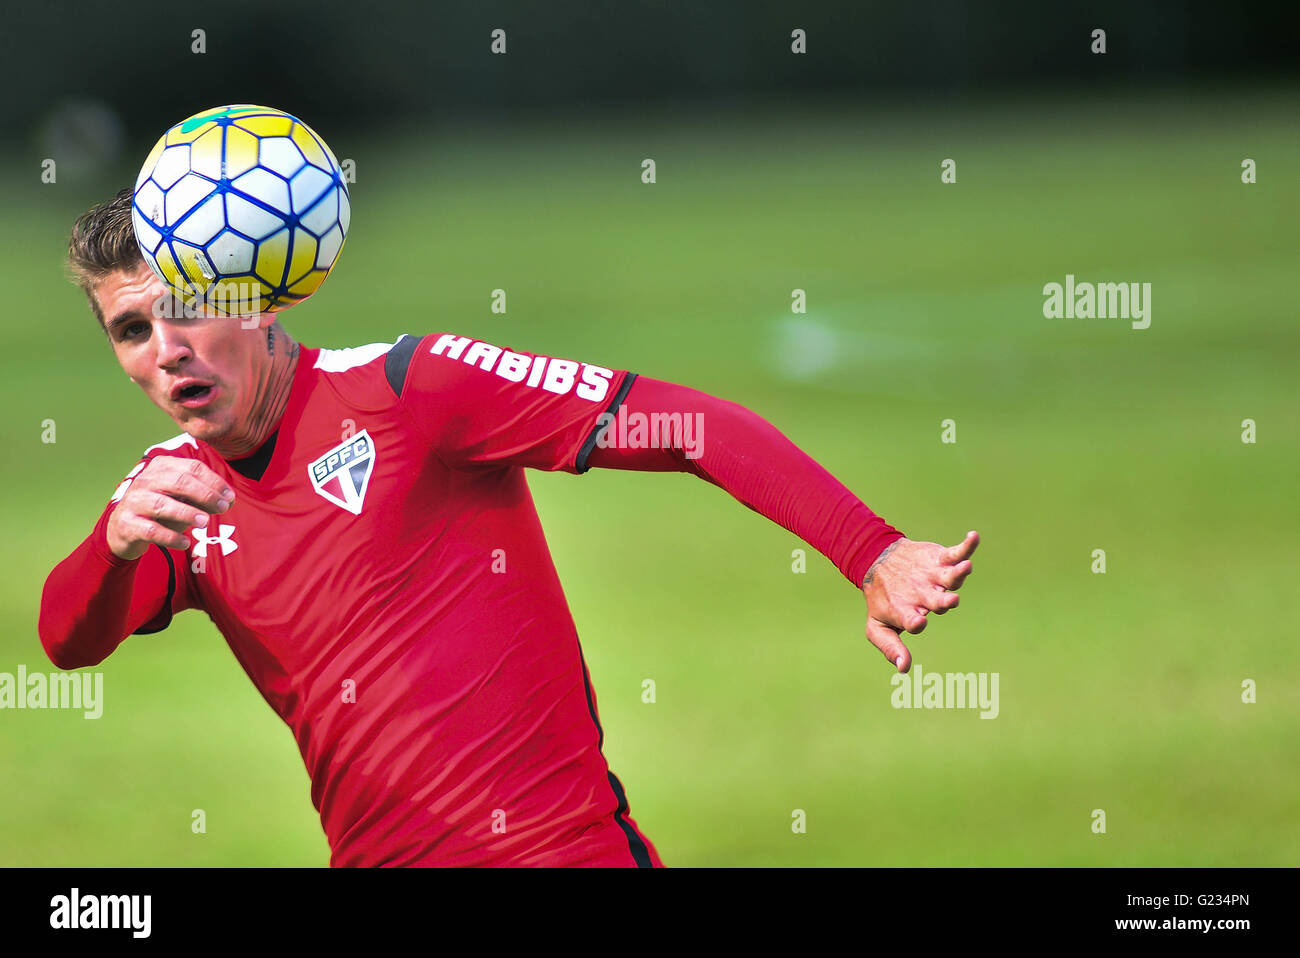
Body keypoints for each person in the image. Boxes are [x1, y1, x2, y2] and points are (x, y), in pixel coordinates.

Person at [40, 187, 979, 867]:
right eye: (131, 330)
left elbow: (687, 426)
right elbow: (67, 637)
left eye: (191, 306)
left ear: (256, 291)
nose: (168, 352)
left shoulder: (411, 390)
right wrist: (111, 545)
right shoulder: (169, 499)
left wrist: (871, 548)